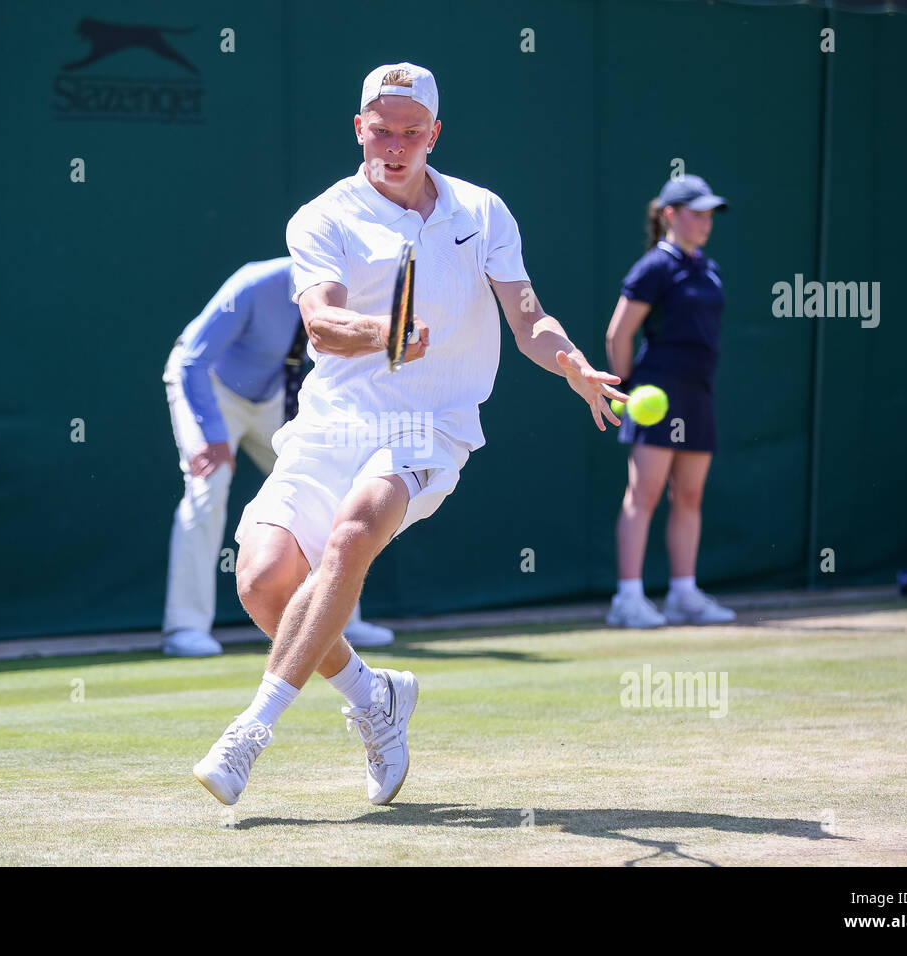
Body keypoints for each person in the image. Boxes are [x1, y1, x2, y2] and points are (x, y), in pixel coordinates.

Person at [192, 62, 628, 806]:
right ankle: (374, 698)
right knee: (264, 584)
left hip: (434, 426)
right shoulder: (322, 217)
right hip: (334, 421)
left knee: (355, 529)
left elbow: (529, 319)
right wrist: (386, 332)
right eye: (381, 130)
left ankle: (250, 732)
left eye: (411, 132)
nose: (395, 146)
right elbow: (322, 324)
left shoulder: (483, 212)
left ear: (434, 135)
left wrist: (575, 367)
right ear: (359, 129)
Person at [161, 257, 394, 657]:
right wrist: (214, 437)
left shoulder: (349, 297)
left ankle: (340, 622)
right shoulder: (253, 283)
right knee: (208, 486)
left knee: (325, 489)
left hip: (272, 397)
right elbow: (192, 362)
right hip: (209, 390)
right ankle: (185, 627)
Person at [603, 175, 736, 628]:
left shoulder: (707, 267)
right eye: (696, 214)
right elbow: (618, 332)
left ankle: (683, 593)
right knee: (645, 494)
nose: (705, 223)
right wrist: (624, 391)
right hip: (656, 391)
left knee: (691, 495)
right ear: (670, 215)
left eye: (709, 215)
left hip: (698, 392)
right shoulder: (654, 267)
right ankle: (628, 599)